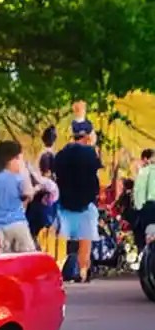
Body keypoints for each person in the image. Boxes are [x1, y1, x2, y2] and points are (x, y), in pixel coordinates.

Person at [55, 119, 104, 282]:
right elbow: (95, 177)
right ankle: (83, 271)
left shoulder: (61, 154)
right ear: (88, 136)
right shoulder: (91, 153)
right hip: (85, 204)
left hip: (65, 203)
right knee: (86, 238)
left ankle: (65, 268)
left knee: (64, 238)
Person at [0, 141, 37, 253]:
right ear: (11, 160)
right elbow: (28, 193)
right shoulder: (18, 178)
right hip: (17, 225)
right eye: (18, 159)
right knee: (27, 262)